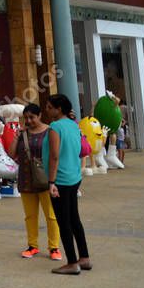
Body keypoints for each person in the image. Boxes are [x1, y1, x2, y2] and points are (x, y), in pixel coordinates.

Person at [7, 103, 61, 261]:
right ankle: (32, 246)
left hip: (46, 180)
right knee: (30, 216)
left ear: (40, 116)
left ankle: (54, 247)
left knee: (51, 216)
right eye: (26, 118)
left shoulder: (50, 132)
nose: (29, 121)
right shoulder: (23, 134)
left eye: (32, 117)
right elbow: (11, 153)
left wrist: (55, 179)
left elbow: (56, 155)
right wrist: (17, 136)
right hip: (26, 180)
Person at [45, 94, 91, 275]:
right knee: (74, 219)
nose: (47, 110)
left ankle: (72, 262)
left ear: (59, 109)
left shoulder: (55, 127)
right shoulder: (73, 125)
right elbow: (79, 150)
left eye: (49, 107)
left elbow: (54, 155)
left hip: (61, 180)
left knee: (64, 222)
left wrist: (51, 181)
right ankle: (84, 257)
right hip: (74, 177)